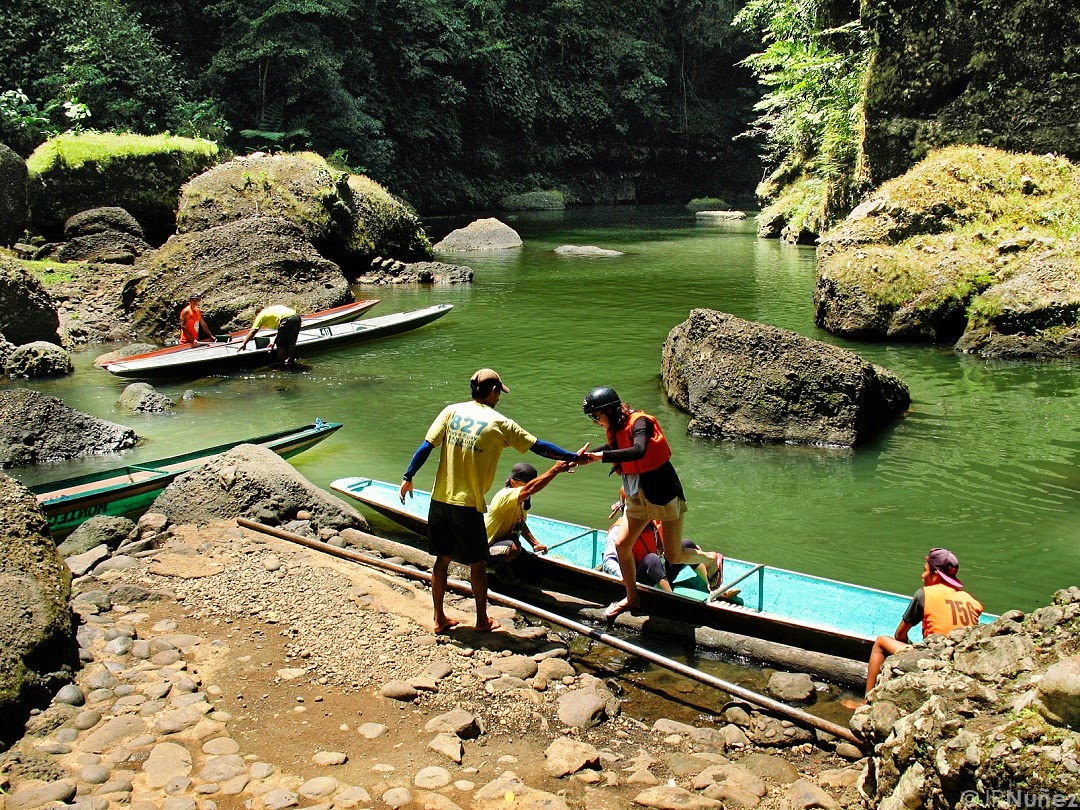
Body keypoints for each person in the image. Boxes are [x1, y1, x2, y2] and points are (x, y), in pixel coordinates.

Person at [400, 368, 581, 633]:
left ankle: (439, 618)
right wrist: (572, 457)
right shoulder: (500, 423)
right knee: (477, 564)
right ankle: (482, 621)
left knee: (442, 560)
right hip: (468, 504)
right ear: (494, 391)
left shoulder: (451, 411)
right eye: (499, 393)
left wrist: (408, 476)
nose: (499, 398)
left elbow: (426, 446)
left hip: (439, 499)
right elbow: (539, 446)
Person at [577, 386, 715, 619]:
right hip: (637, 494)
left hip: (663, 492)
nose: (595, 421)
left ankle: (710, 560)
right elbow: (614, 448)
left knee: (674, 555)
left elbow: (638, 450)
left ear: (609, 410)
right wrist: (578, 459)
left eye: (596, 416)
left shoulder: (641, 422)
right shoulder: (617, 428)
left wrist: (600, 457)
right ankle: (632, 598)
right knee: (622, 545)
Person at [852, 548, 983, 706]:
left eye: (925, 570)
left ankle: (866, 703)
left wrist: (911, 648)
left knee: (881, 642)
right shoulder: (970, 600)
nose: (922, 575)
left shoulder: (925, 594)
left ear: (935, 575)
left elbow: (900, 634)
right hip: (961, 660)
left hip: (936, 657)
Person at [484, 461, 570, 582]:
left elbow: (520, 524)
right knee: (515, 548)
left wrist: (535, 544)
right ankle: (498, 569)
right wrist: (555, 469)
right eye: (525, 484)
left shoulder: (522, 501)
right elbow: (531, 489)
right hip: (485, 549)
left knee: (532, 569)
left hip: (502, 544)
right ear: (512, 481)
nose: (528, 488)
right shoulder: (505, 495)